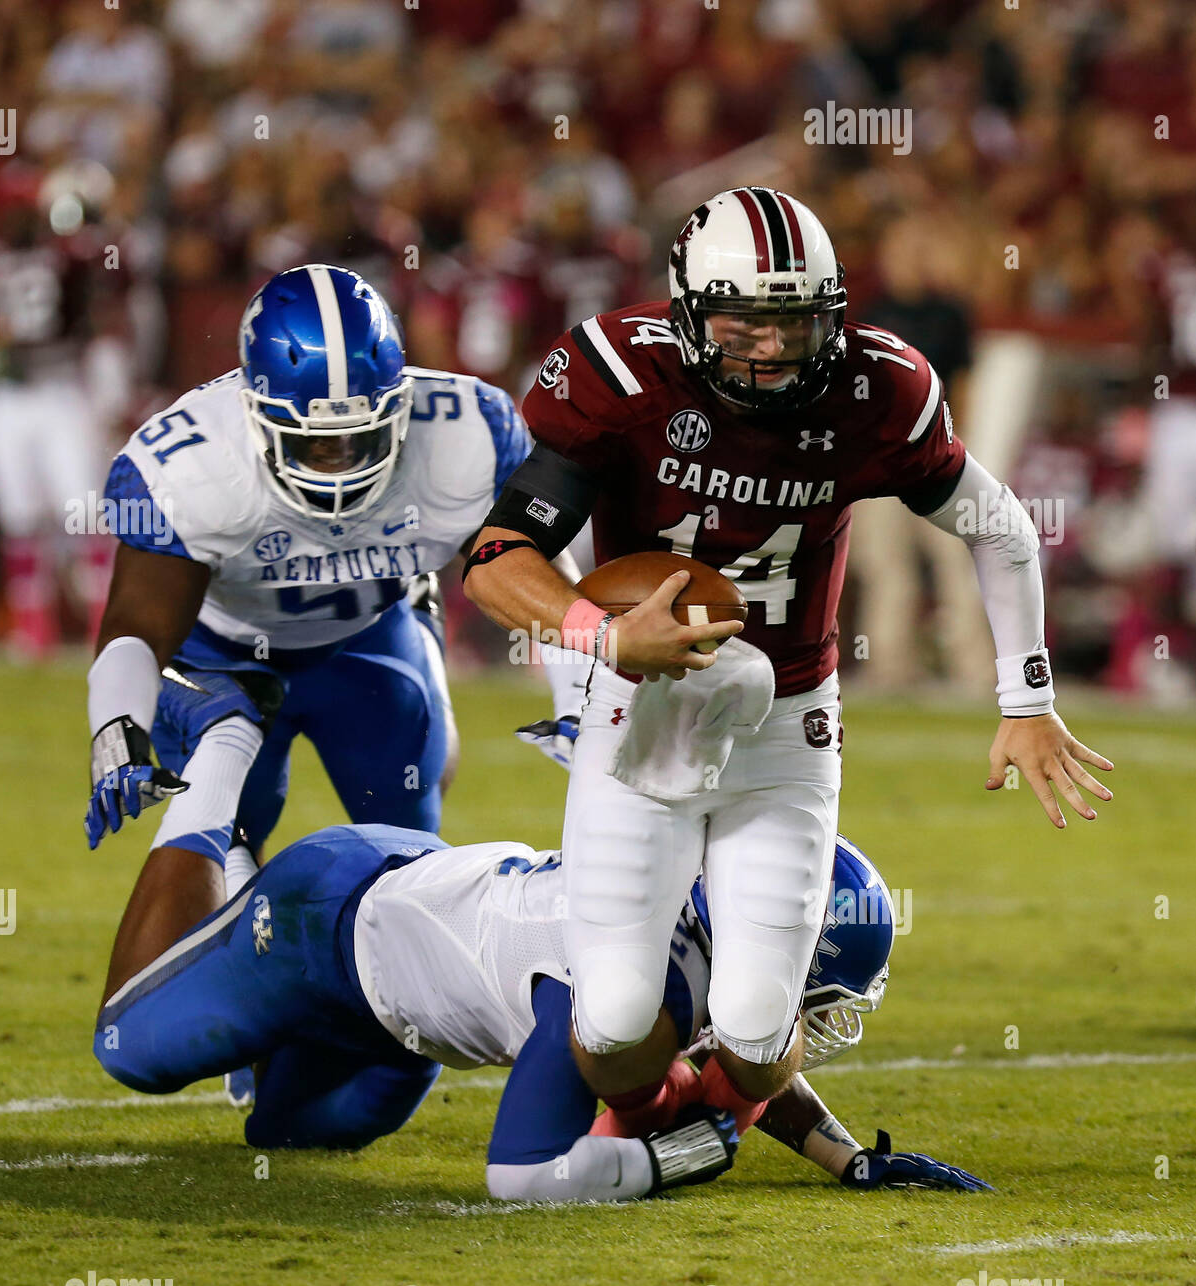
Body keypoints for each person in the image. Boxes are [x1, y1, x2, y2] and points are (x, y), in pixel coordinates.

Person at [461, 186, 1114, 1135]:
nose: (769, 347)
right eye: (741, 322)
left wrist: (1025, 698)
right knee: (607, 1020)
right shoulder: (615, 375)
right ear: (686, 310)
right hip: (644, 707)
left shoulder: (874, 389)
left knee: (758, 1029)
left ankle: (725, 1111)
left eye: (794, 324)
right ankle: (670, 1115)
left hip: (787, 718)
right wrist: (601, 636)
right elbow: (493, 559)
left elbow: (1000, 528)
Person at [92, 684, 987, 1201]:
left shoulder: (695, 942)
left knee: (288, 1138)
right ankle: (221, 750)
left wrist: (848, 1158)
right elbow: (520, 1176)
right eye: (804, 994)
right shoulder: (624, 977)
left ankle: (253, 1029)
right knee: (130, 1051)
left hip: (402, 1003)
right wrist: (685, 1154)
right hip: (319, 926)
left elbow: (743, 1053)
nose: (800, 1021)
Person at [84, 264, 530, 864]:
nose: (337, 461)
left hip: (368, 638)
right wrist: (116, 726)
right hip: (224, 658)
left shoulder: (468, 431)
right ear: (254, 411)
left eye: (357, 438)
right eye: (312, 440)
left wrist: (584, 697)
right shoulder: (192, 464)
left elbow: (543, 572)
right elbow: (135, 626)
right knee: (226, 861)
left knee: (413, 846)